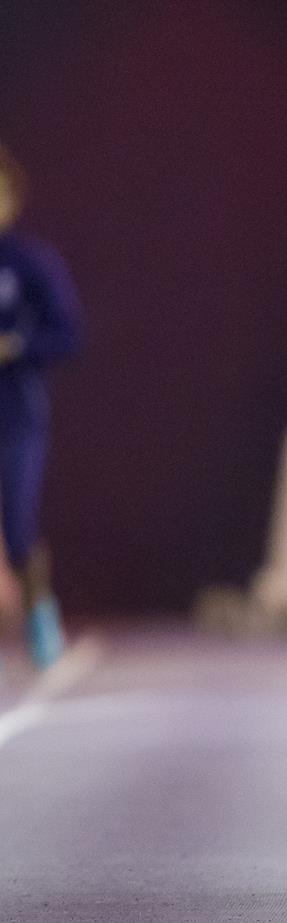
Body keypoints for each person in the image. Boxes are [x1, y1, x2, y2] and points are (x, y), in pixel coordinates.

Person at [0, 141, 85, 670]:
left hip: (15, 415)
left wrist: (15, 348)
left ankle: (38, 614)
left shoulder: (31, 264)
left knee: (18, 522)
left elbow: (69, 335)